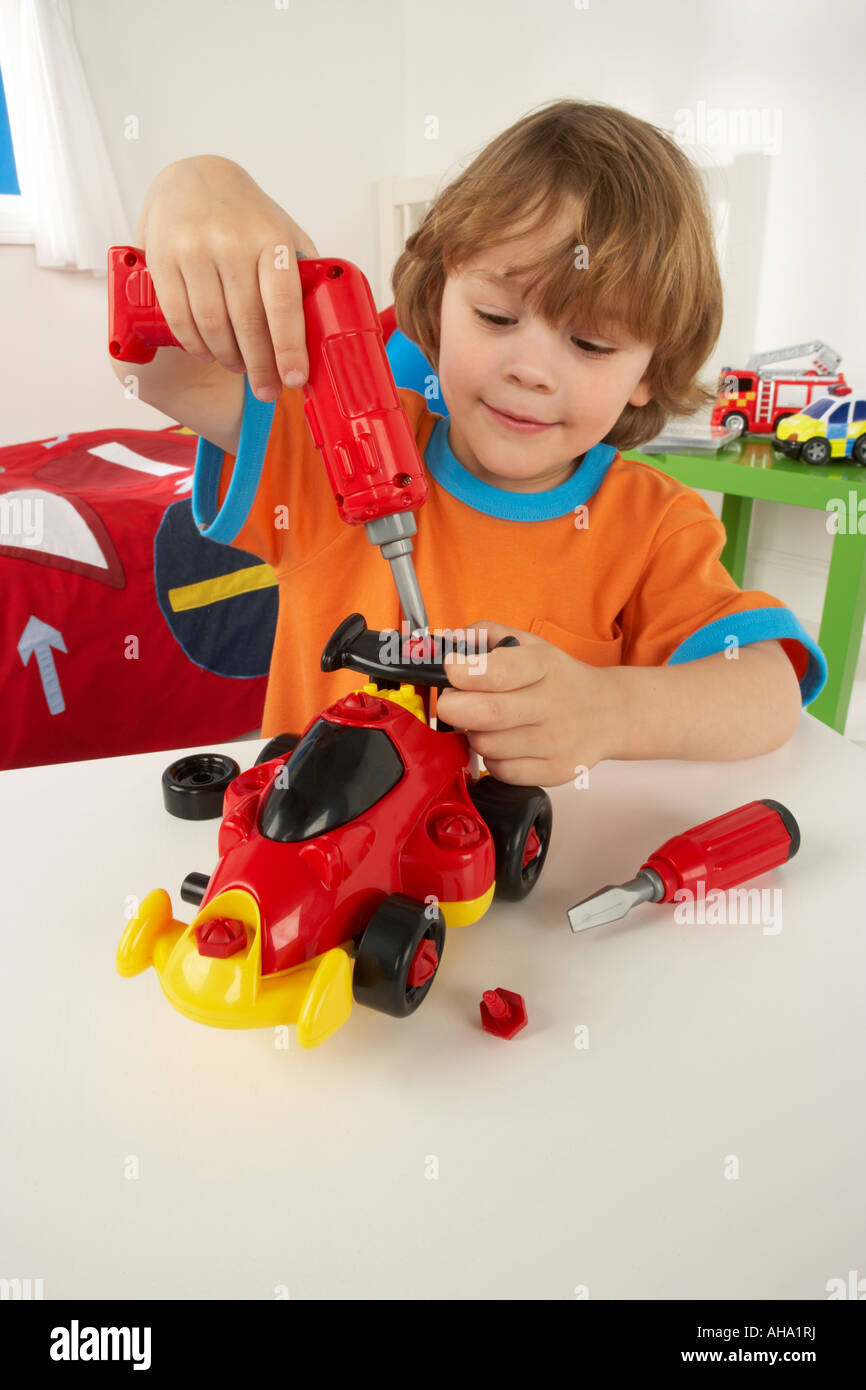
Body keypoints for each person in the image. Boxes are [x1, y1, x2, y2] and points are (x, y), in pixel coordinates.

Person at [112, 99, 826, 788]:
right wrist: (199, 185)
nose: (532, 371)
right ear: (436, 299)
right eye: (495, 315)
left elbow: (768, 688)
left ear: (649, 373)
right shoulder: (342, 434)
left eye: (590, 342)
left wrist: (608, 712)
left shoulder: (652, 526)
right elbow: (155, 372)